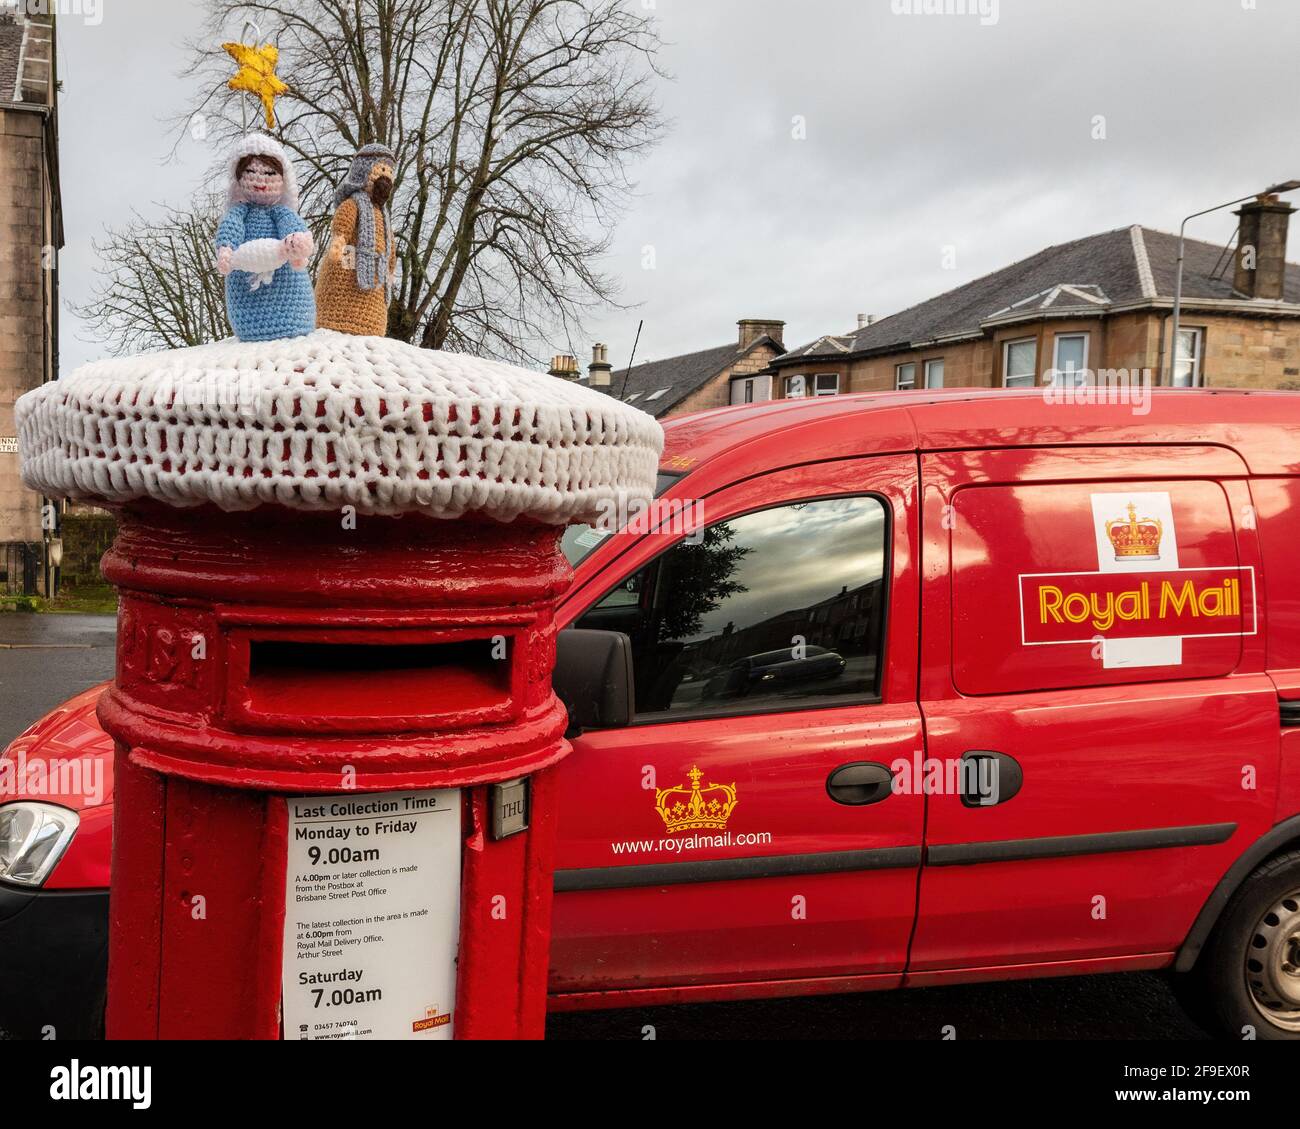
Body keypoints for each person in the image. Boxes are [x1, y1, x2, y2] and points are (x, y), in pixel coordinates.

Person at [215, 134, 316, 342]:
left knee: (292, 299)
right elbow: (231, 228)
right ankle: (252, 322)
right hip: (246, 282)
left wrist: (298, 243)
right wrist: (226, 248)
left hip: (286, 282)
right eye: (250, 172)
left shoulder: (281, 213)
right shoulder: (239, 213)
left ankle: (293, 317)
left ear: (283, 179)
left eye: (270, 173)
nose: (260, 180)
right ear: (239, 178)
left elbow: (293, 227)